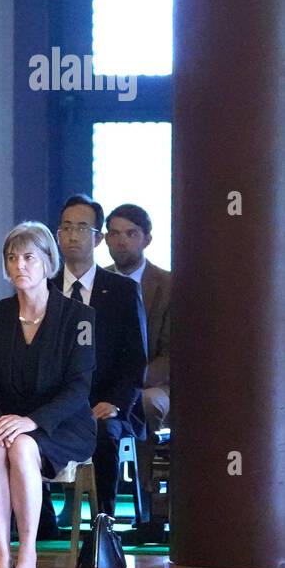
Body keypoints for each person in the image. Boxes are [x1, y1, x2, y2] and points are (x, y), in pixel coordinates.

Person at [0, 222, 96, 568]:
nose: (19, 265)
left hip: (62, 425)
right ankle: (1, 556)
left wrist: (32, 422)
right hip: (7, 421)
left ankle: (28, 552)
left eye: (29, 257)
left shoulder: (79, 318)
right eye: (12, 258)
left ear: (48, 262)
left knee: (20, 446)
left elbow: (79, 388)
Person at [52, 194, 147, 524]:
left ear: (97, 237)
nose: (73, 235)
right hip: (53, 402)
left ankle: (100, 521)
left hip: (105, 402)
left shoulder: (121, 291)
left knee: (103, 432)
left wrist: (116, 402)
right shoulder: (43, 288)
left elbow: (135, 360)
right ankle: (39, 523)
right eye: (66, 227)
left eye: (82, 227)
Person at [104, 203, 171, 532]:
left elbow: (175, 352)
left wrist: (131, 381)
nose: (121, 241)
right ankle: (81, 501)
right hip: (103, 383)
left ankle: (148, 505)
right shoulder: (96, 282)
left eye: (130, 234)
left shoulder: (169, 285)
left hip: (155, 384)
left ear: (147, 239)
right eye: (114, 233)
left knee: (143, 403)